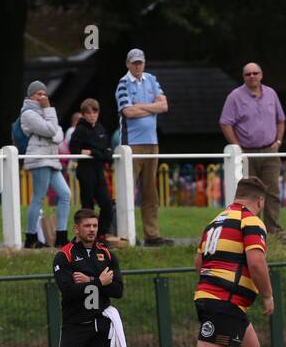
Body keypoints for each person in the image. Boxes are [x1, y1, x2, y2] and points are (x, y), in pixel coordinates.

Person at [164, 177, 274, 347]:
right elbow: (256, 263)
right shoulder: (251, 221)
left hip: (210, 296)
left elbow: (198, 264)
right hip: (225, 300)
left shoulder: (215, 222)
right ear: (260, 200)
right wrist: (267, 295)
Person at [52, 208, 124, 347]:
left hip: (101, 323)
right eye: (87, 226)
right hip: (75, 324)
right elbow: (69, 290)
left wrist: (90, 280)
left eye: (94, 226)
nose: (92, 230)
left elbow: (118, 290)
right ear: (76, 228)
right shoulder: (65, 255)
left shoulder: (107, 255)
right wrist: (99, 283)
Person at [219, 62, 286, 242]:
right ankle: (251, 230)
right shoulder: (235, 96)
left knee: (272, 191)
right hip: (246, 152)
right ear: (243, 77)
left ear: (261, 74)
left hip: (269, 151)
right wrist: (237, 148)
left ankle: (275, 232)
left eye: (255, 73)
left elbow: (280, 119)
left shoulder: (271, 94)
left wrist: (279, 141)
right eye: (248, 74)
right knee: (248, 192)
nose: (252, 76)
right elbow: (225, 122)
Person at [115, 49, 173, 246]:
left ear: (144, 63)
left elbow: (164, 106)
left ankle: (152, 235)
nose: (138, 66)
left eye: (140, 62)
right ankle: (126, 234)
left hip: (152, 143)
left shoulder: (151, 79)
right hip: (131, 144)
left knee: (150, 191)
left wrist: (142, 106)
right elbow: (128, 112)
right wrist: (151, 107)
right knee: (128, 190)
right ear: (128, 64)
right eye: (134, 63)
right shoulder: (123, 83)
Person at [20, 81, 71, 249]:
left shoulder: (46, 112)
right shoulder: (28, 113)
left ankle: (61, 236)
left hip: (51, 158)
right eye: (38, 94)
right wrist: (49, 109)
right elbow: (51, 130)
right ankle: (31, 236)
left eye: (44, 94)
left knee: (65, 194)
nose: (42, 97)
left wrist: (52, 130)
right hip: (39, 158)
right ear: (31, 96)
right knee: (39, 198)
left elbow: (59, 134)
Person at [69, 99, 115, 238]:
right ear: (83, 114)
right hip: (85, 172)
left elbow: (106, 150)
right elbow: (74, 150)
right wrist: (92, 152)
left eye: (95, 112)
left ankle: (100, 234)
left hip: (99, 171)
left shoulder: (100, 128)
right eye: (88, 113)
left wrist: (99, 153)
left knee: (107, 204)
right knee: (88, 207)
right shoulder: (80, 129)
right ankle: (84, 236)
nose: (92, 115)